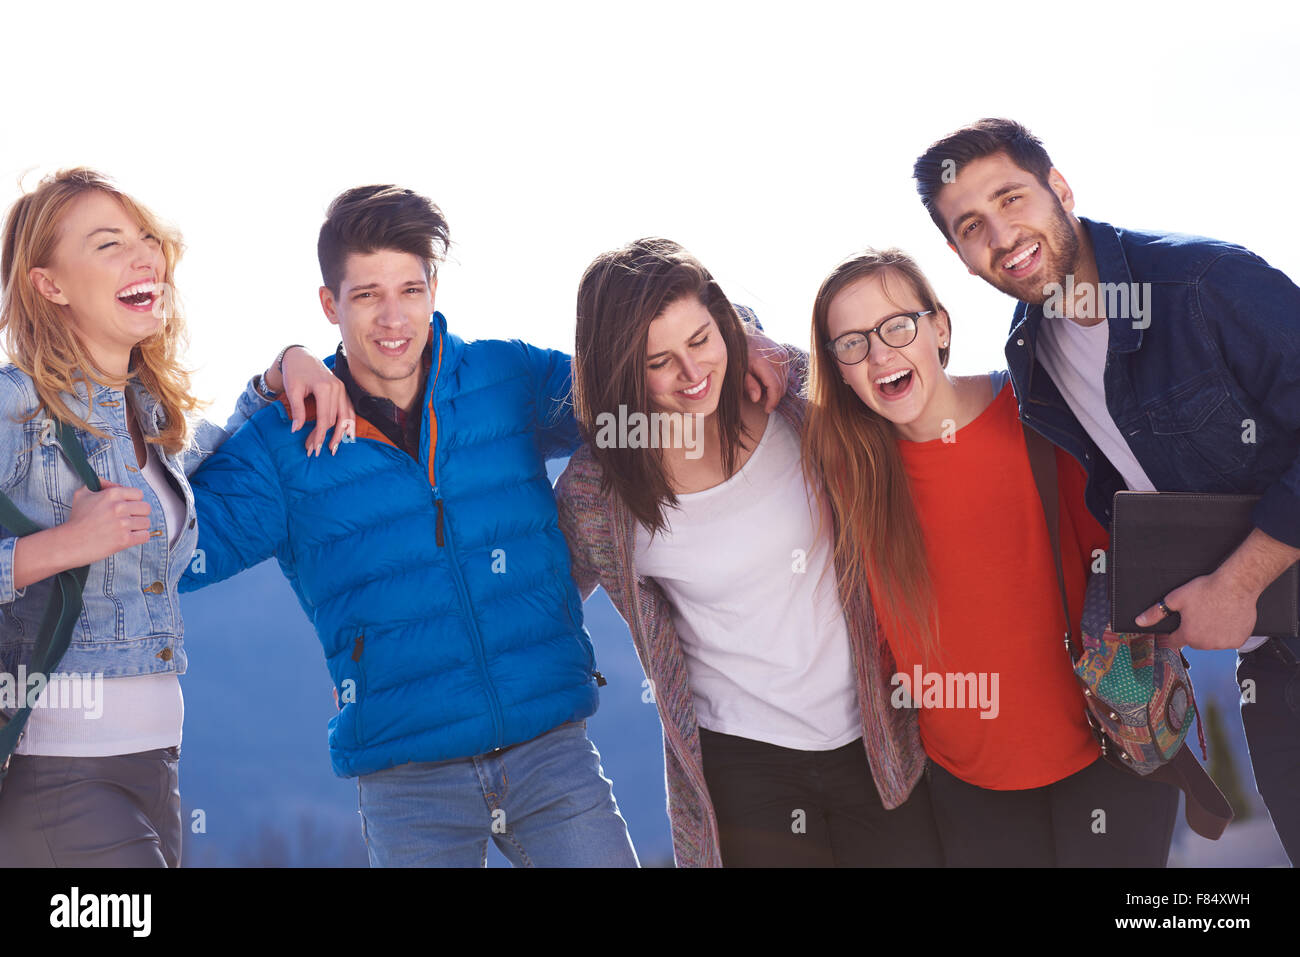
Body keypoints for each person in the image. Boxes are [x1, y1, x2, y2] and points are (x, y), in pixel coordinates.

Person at [177, 186, 791, 867]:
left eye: (410, 289)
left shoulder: (504, 376)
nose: (392, 317)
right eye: (366, 295)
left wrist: (743, 327)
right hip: (407, 778)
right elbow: (170, 545)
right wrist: (263, 389)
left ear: (433, 287)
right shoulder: (285, 441)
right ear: (330, 304)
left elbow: (633, 377)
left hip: (550, 750)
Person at [913, 118, 1300, 865]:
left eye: (1012, 198)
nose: (1003, 234)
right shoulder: (1032, 356)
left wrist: (1237, 580)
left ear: (1059, 188)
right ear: (959, 256)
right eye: (972, 226)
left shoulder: (1205, 285)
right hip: (1270, 667)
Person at [553, 237, 941, 867]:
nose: (691, 373)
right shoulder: (599, 491)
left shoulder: (796, 402)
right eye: (659, 362)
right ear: (621, 370)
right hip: (741, 762)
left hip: (874, 737)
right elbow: (541, 605)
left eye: (702, 340)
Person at [0, 167, 349, 866]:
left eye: (146, 238)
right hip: (61, 775)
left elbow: (206, 459)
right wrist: (68, 543)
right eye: (108, 244)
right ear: (49, 284)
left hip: (153, 766)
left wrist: (281, 369)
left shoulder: (146, 410)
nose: (145, 257)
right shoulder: (15, 407)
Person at [803, 246, 1180, 866]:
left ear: (941, 327)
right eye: (851, 344)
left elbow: (1128, 553)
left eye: (897, 327)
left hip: (1107, 746)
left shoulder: (1038, 414)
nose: (879, 355)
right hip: (968, 786)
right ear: (838, 368)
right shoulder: (845, 471)